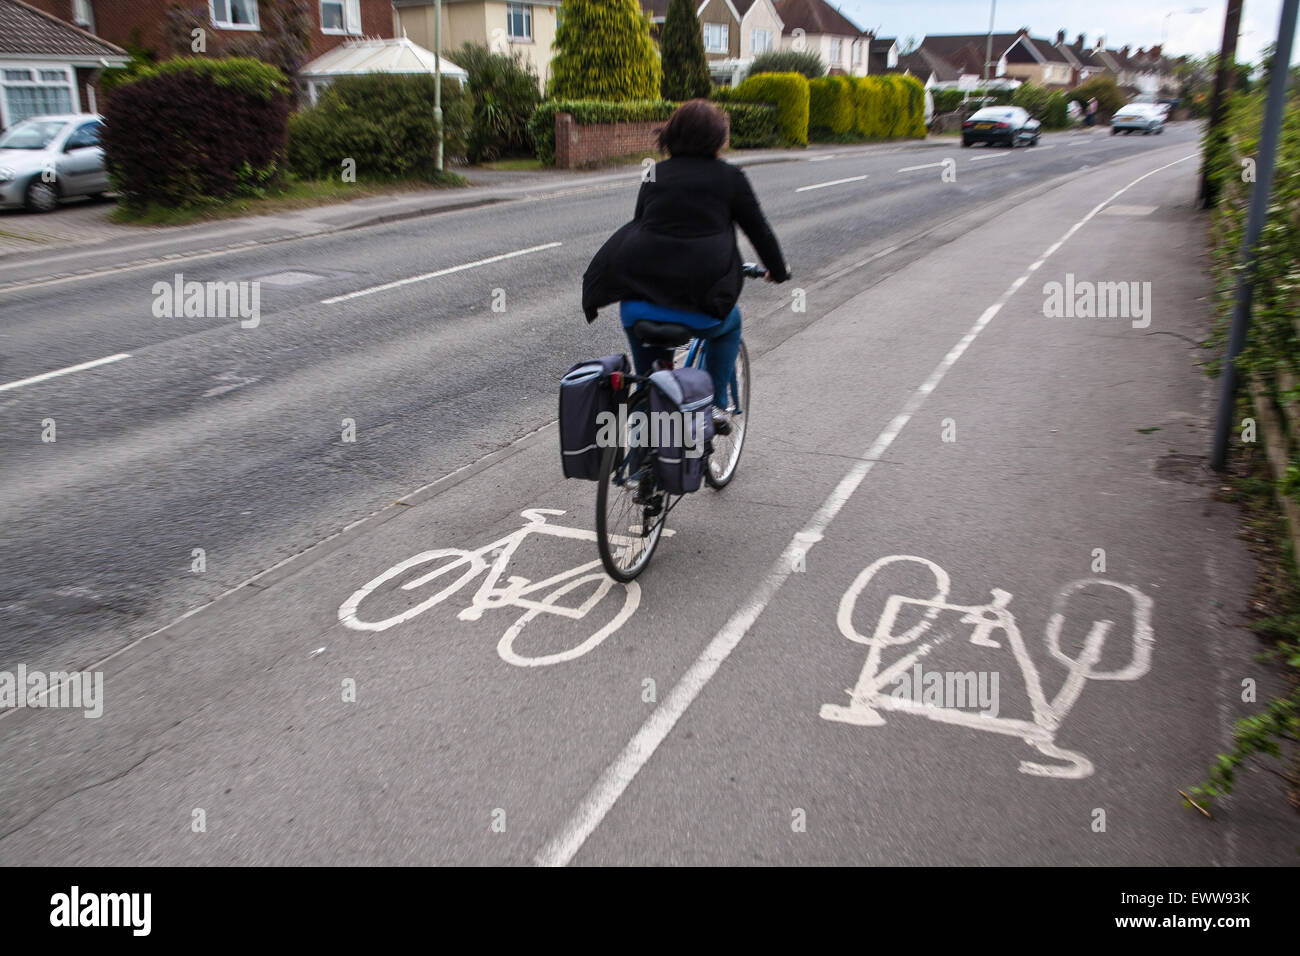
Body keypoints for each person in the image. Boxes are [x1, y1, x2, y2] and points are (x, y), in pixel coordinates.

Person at [582, 99, 790, 423]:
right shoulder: (730, 178)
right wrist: (777, 271)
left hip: (638, 304)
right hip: (701, 309)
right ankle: (715, 407)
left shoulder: (653, 173)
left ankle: (638, 468)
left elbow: (641, 224)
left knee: (652, 387)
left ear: (671, 135)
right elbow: (759, 231)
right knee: (730, 324)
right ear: (717, 138)